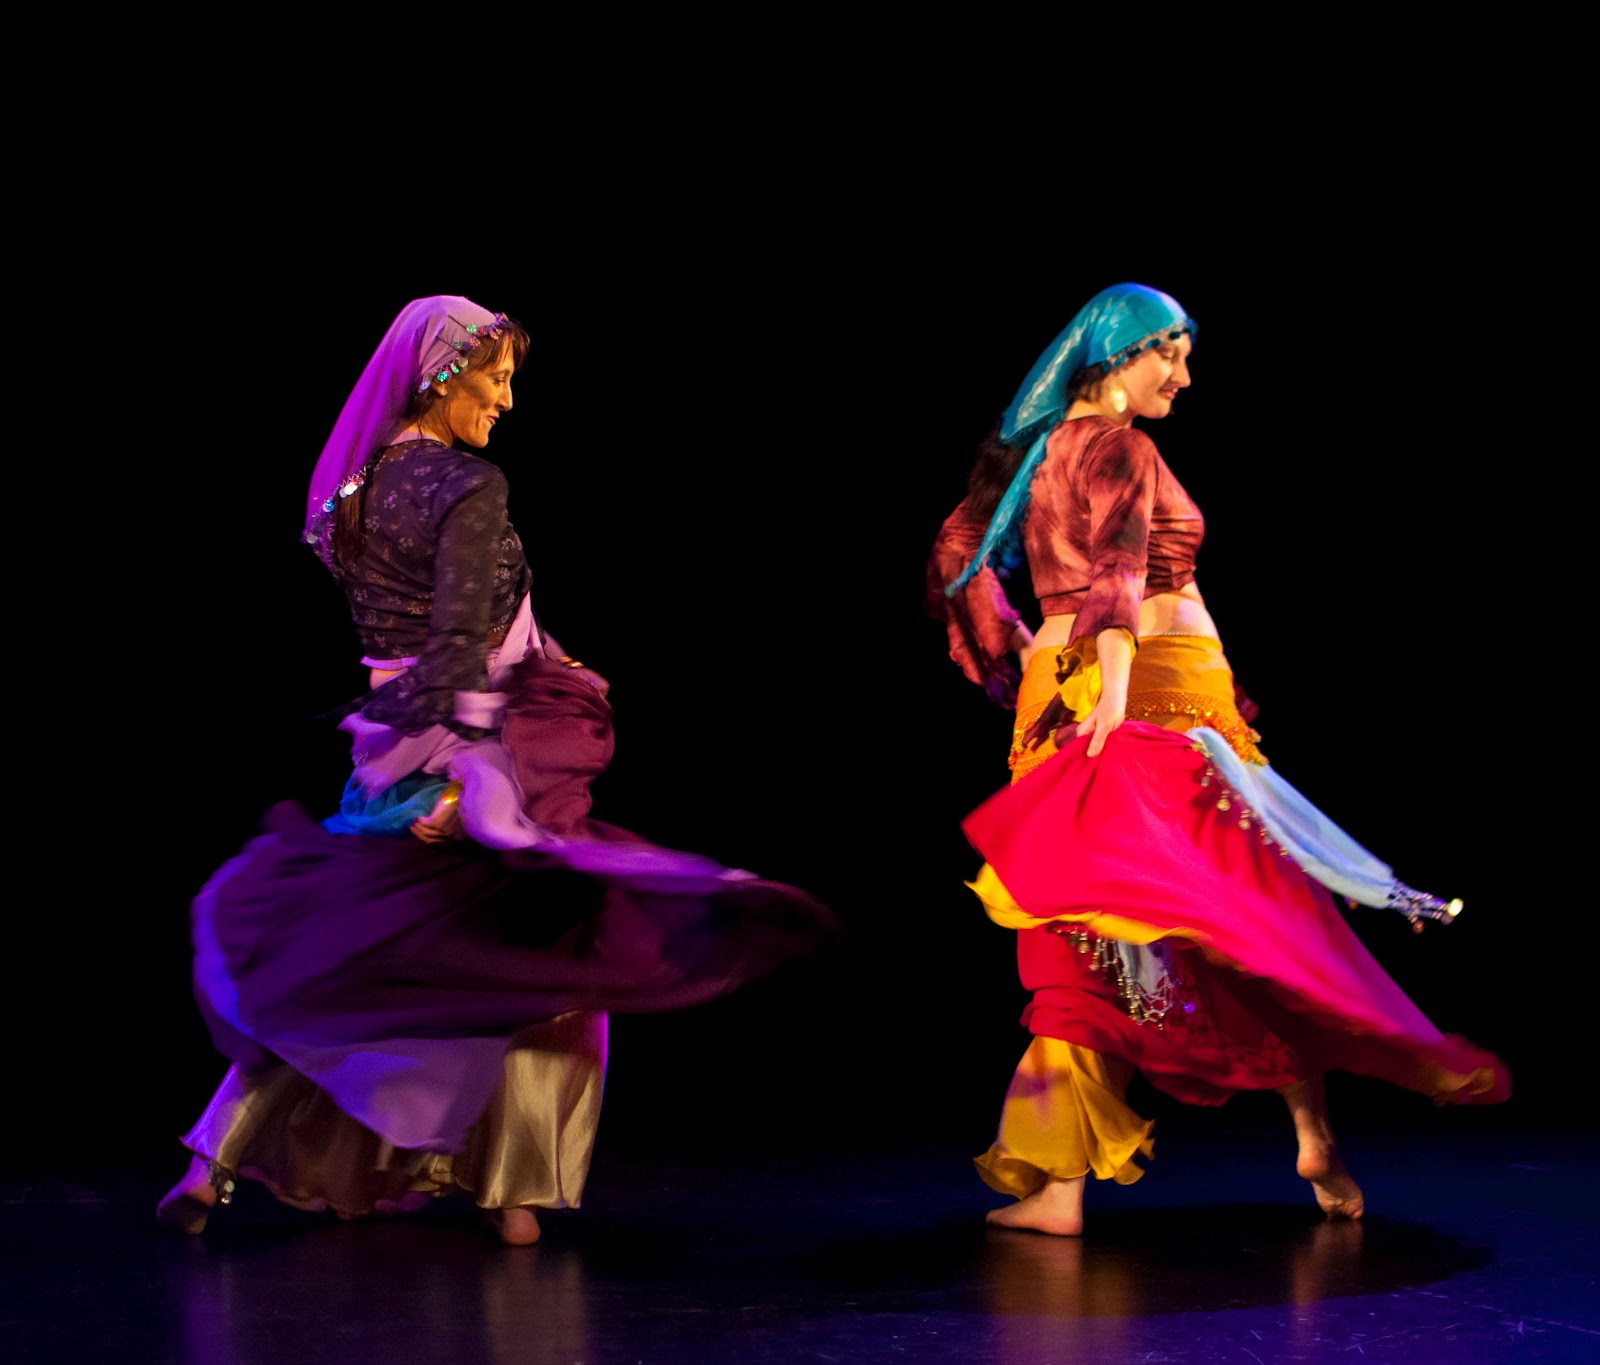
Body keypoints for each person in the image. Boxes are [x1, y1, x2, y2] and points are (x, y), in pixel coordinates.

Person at [160, 296, 834, 1244]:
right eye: (496, 377)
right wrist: (475, 780)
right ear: (442, 375)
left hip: (386, 741)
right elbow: (457, 643)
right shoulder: (468, 487)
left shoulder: (352, 491)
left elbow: (413, 638)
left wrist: (545, 660)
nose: (507, 400)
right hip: (468, 750)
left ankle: (213, 1160)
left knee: (356, 955)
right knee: (549, 955)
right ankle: (518, 1197)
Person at [929, 283, 1507, 1236]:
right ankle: (1310, 1131)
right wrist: (1112, 692)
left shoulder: (1025, 456)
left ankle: (1061, 1187)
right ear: (1114, 357)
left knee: (1091, 923)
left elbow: (959, 550)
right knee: (1243, 901)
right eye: (1169, 354)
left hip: (1064, 698)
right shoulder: (1122, 447)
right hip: (1151, 692)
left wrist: (1025, 651)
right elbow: (1116, 574)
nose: (1183, 376)